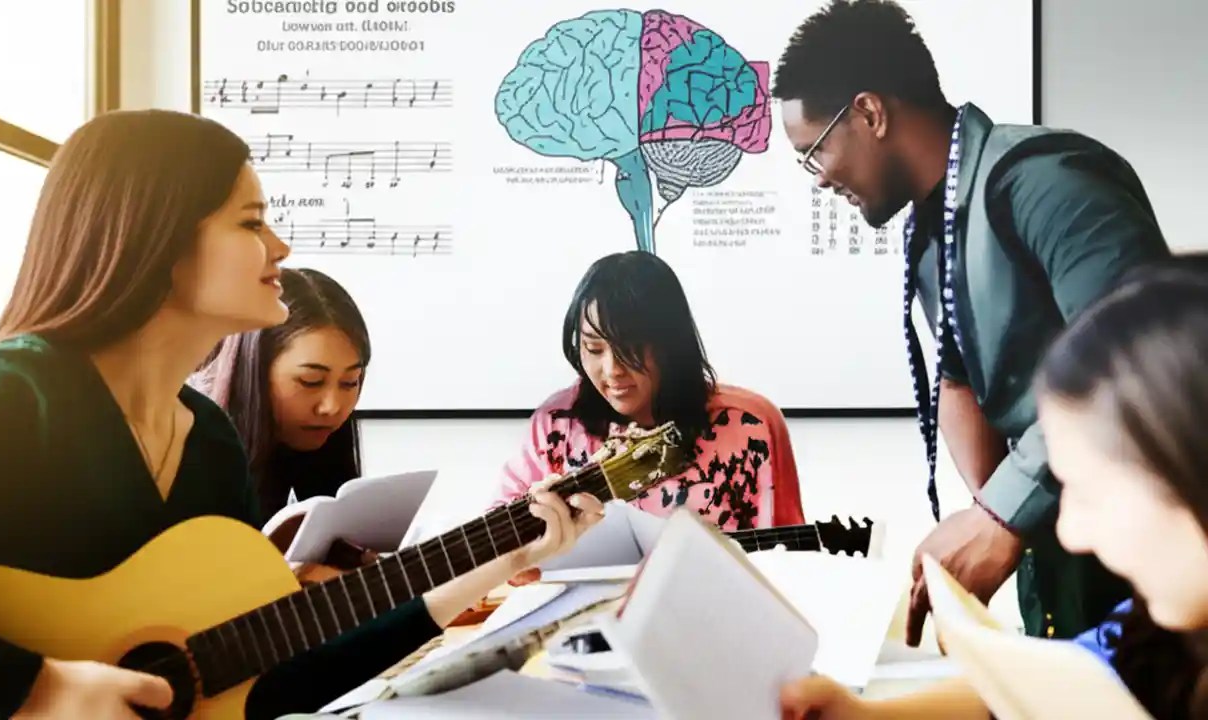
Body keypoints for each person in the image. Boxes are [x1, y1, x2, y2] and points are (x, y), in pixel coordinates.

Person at [0, 109, 605, 720]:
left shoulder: (210, 444)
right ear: (156, 235)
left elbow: (271, 682)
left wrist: (501, 558)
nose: (279, 247)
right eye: (251, 222)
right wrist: (34, 687)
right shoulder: (16, 398)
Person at [770, 0, 1169, 644]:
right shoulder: (932, 226)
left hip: (1149, 550)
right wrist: (991, 516)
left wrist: (1001, 516)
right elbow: (960, 382)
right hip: (1059, 544)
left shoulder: (1045, 181)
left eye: (813, 151)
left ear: (870, 113)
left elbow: (1137, 363)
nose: (818, 181)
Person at [779, 264, 1208, 720]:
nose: (1071, 532)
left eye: (1092, 493)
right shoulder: (1149, 633)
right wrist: (859, 715)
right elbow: (1052, 686)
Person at [494, 250, 804, 531]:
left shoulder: (749, 424)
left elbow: (784, 562)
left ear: (671, 343)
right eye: (593, 348)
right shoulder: (556, 423)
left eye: (631, 348)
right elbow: (498, 542)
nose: (613, 370)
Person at [192, 267, 371, 523]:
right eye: (311, 381)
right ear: (252, 370)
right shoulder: (185, 444)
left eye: (349, 382)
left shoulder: (312, 435)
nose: (332, 406)